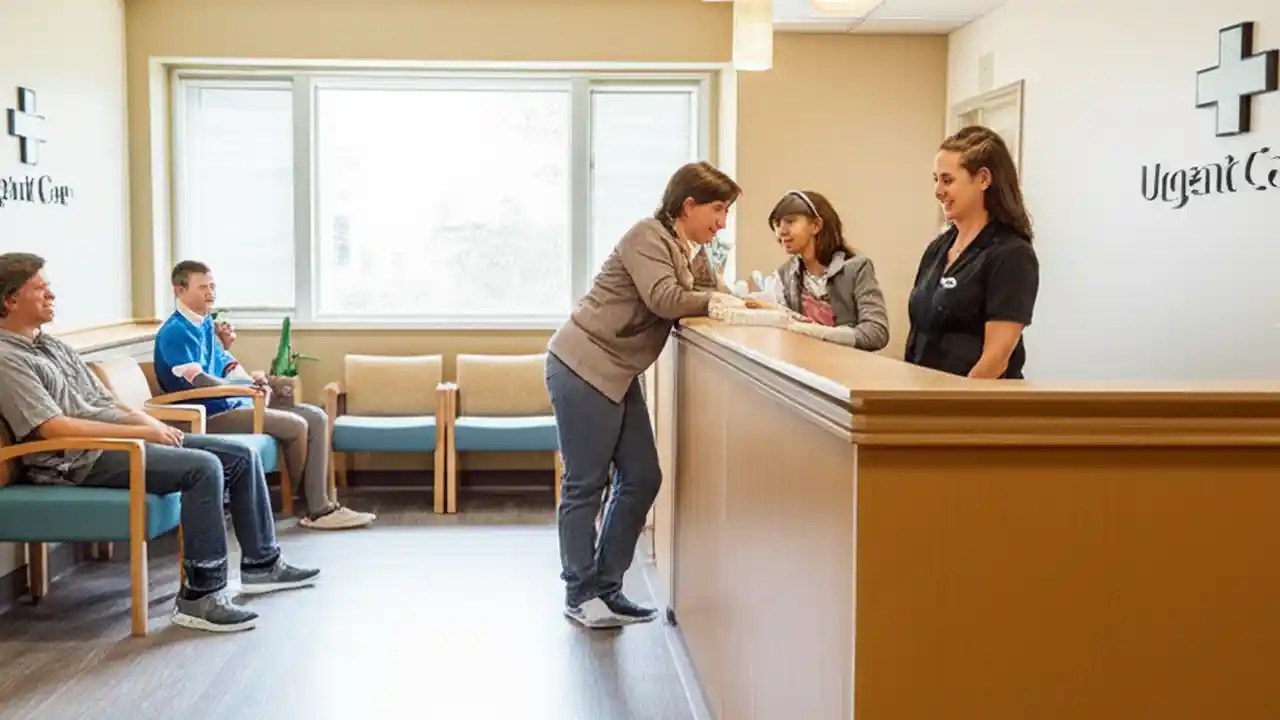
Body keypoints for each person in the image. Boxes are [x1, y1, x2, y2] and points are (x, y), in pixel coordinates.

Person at [0, 253, 319, 633]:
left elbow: (103, 402)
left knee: (240, 455)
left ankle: (262, 565)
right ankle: (201, 596)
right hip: (77, 459)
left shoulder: (53, 347)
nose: (51, 294)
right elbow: (52, 428)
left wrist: (148, 422)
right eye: (41, 288)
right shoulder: (7, 358)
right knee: (204, 467)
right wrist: (143, 432)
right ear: (10, 300)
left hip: (114, 441)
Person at [546, 161, 746, 629]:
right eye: (718, 210)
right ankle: (580, 593)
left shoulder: (681, 246)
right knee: (585, 483)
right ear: (688, 204)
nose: (722, 222)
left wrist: (712, 270)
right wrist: (720, 298)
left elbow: (701, 290)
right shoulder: (646, 236)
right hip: (583, 365)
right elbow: (666, 299)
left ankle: (608, 588)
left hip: (619, 371)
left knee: (642, 476)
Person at [154, 261, 375, 530]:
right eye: (203, 287)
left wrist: (251, 382)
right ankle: (314, 507)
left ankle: (323, 506)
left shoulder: (204, 325)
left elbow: (228, 365)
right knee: (295, 425)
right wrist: (242, 389)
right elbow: (199, 380)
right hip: (205, 415)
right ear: (179, 290)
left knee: (316, 415)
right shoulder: (175, 332)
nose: (210, 292)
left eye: (212, 286)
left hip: (232, 403)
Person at [905, 126, 1040, 379]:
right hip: (927, 401)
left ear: (983, 179)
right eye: (936, 179)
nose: (938, 191)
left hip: (975, 409)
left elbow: (995, 360)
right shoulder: (938, 249)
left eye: (948, 180)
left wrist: (954, 408)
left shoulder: (1011, 254)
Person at [767, 189, 890, 350]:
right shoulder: (784, 276)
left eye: (790, 222)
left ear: (816, 225)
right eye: (777, 224)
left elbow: (876, 332)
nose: (781, 232)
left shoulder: (857, 268)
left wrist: (817, 332)